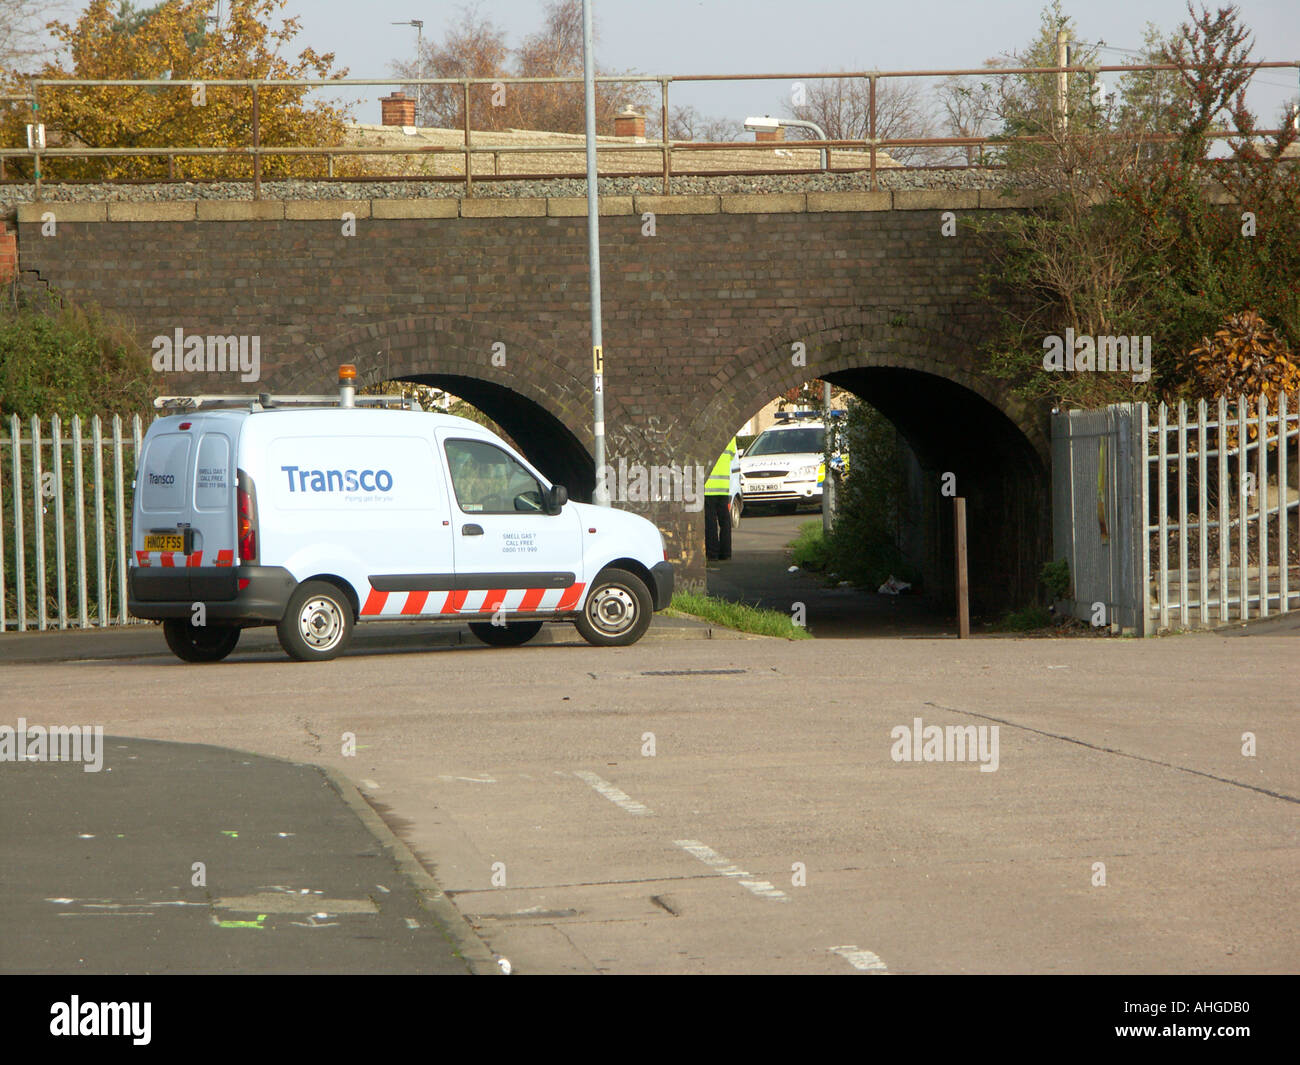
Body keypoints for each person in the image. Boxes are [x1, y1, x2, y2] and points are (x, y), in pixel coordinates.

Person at [704, 436, 737, 561]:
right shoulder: (730, 437)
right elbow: (732, 455)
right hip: (723, 486)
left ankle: (712, 553)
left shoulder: (707, 435)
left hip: (708, 486)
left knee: (710, 522)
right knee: (725, 521)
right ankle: (726, 552)